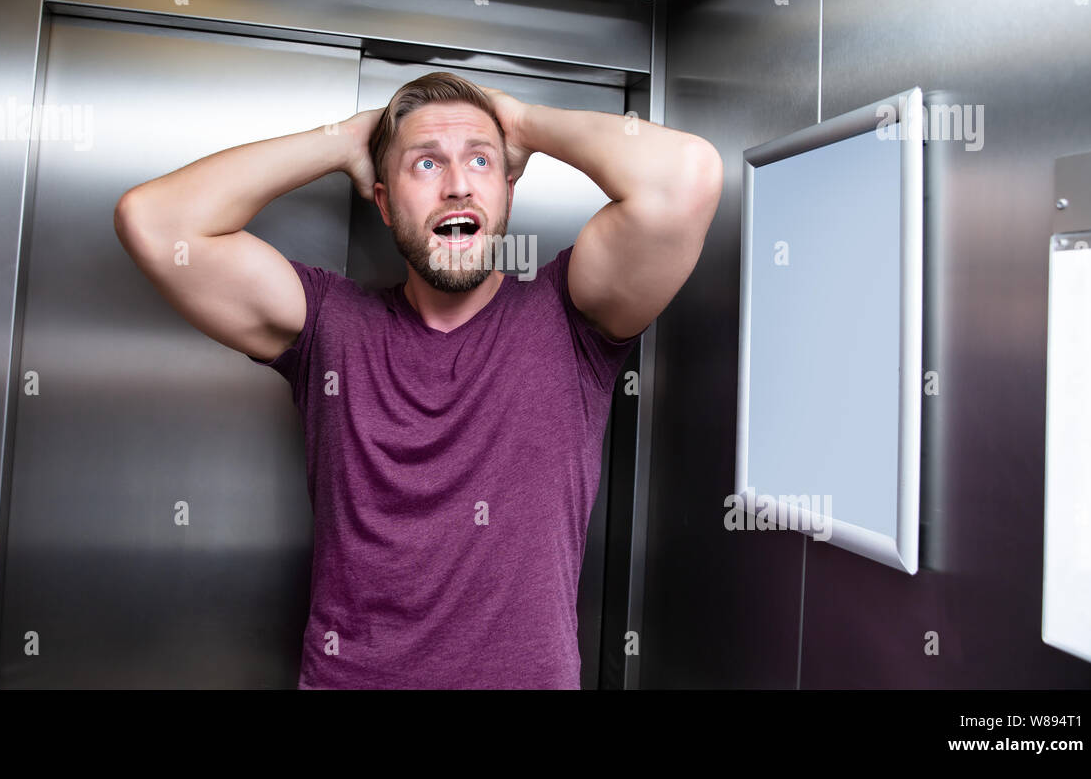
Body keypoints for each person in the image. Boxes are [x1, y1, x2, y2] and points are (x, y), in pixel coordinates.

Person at [113, 71, 722, 688]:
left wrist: (523, 123)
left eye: (480, 161)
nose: (458, 185)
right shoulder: (330, 323)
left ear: (509, 191)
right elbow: (153, 222)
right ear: (382, 202)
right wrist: (343, 139)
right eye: (426, 164)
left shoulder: (569, 317)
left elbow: (688, 178)